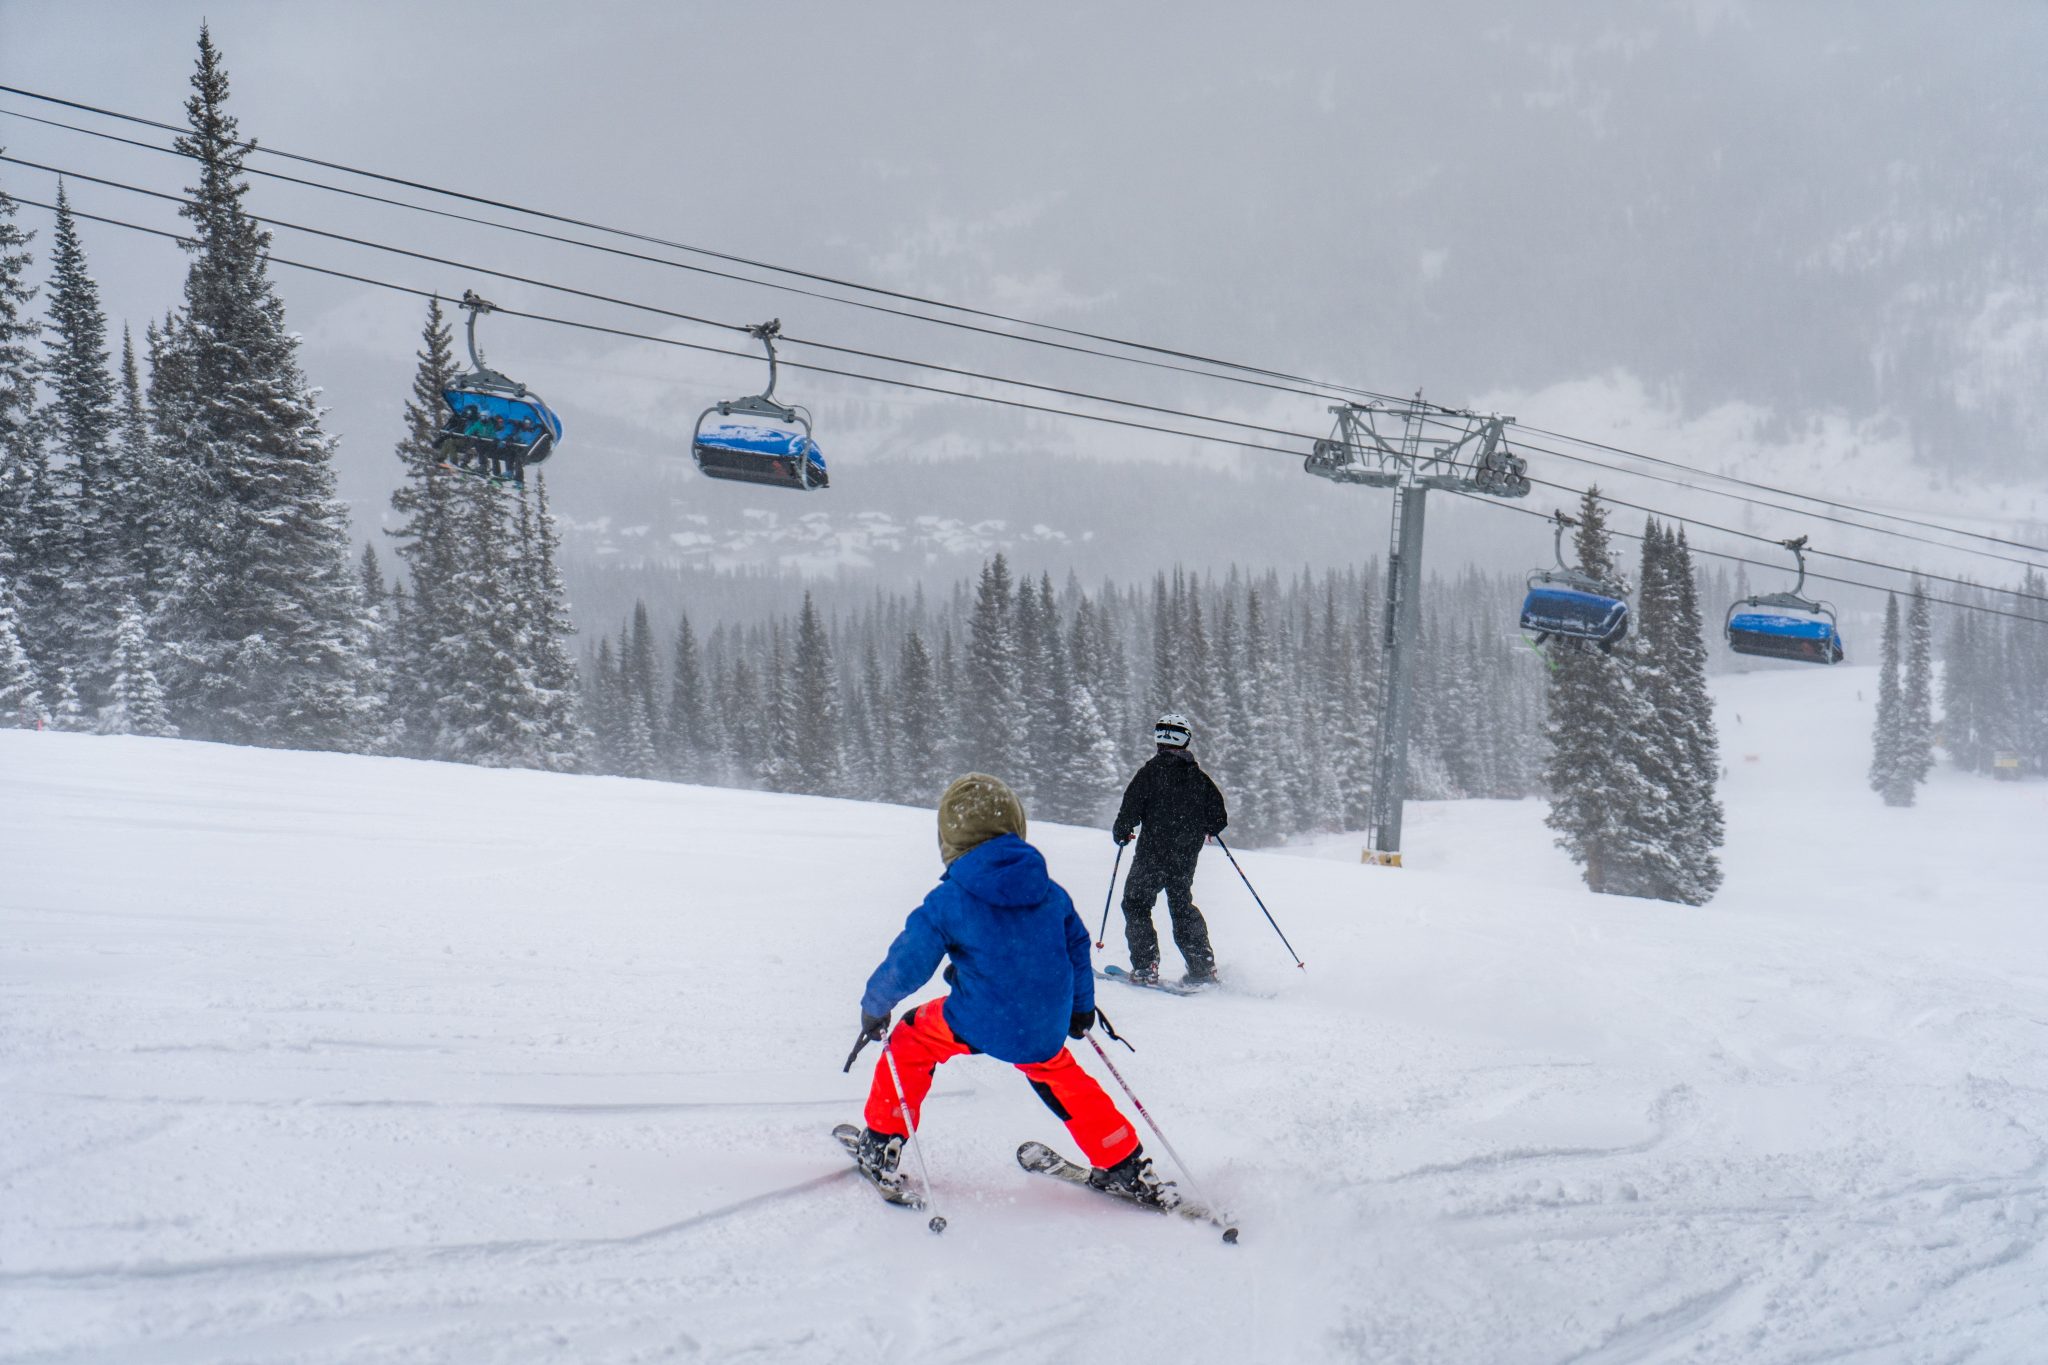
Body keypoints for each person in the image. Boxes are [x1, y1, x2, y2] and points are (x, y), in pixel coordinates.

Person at [851, 772, 1172, 1207]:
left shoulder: (950, 900)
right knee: (1060, 1074)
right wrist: (1081, 1009)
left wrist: (876, 1008)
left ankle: (882, 1142)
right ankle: (1125, 1164)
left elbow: (907, 962)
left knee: (911, 1037)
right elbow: (1077, 948)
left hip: (977, 1019)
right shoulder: (1051, 893)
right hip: (1044, 1025)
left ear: (950, 836)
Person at [1112, 712, 1228, 987]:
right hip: (1185, 854)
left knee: (1136, 903)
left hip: (1152, 852)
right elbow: (1218, 817)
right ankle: (1202, 967)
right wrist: (1209, 827)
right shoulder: (1198, 778)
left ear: (1158, 739)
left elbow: (1129, 810)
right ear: (1185, 740)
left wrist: (1122, 832)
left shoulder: (1149, 774)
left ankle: (1145, 966)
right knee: (1180, 904)